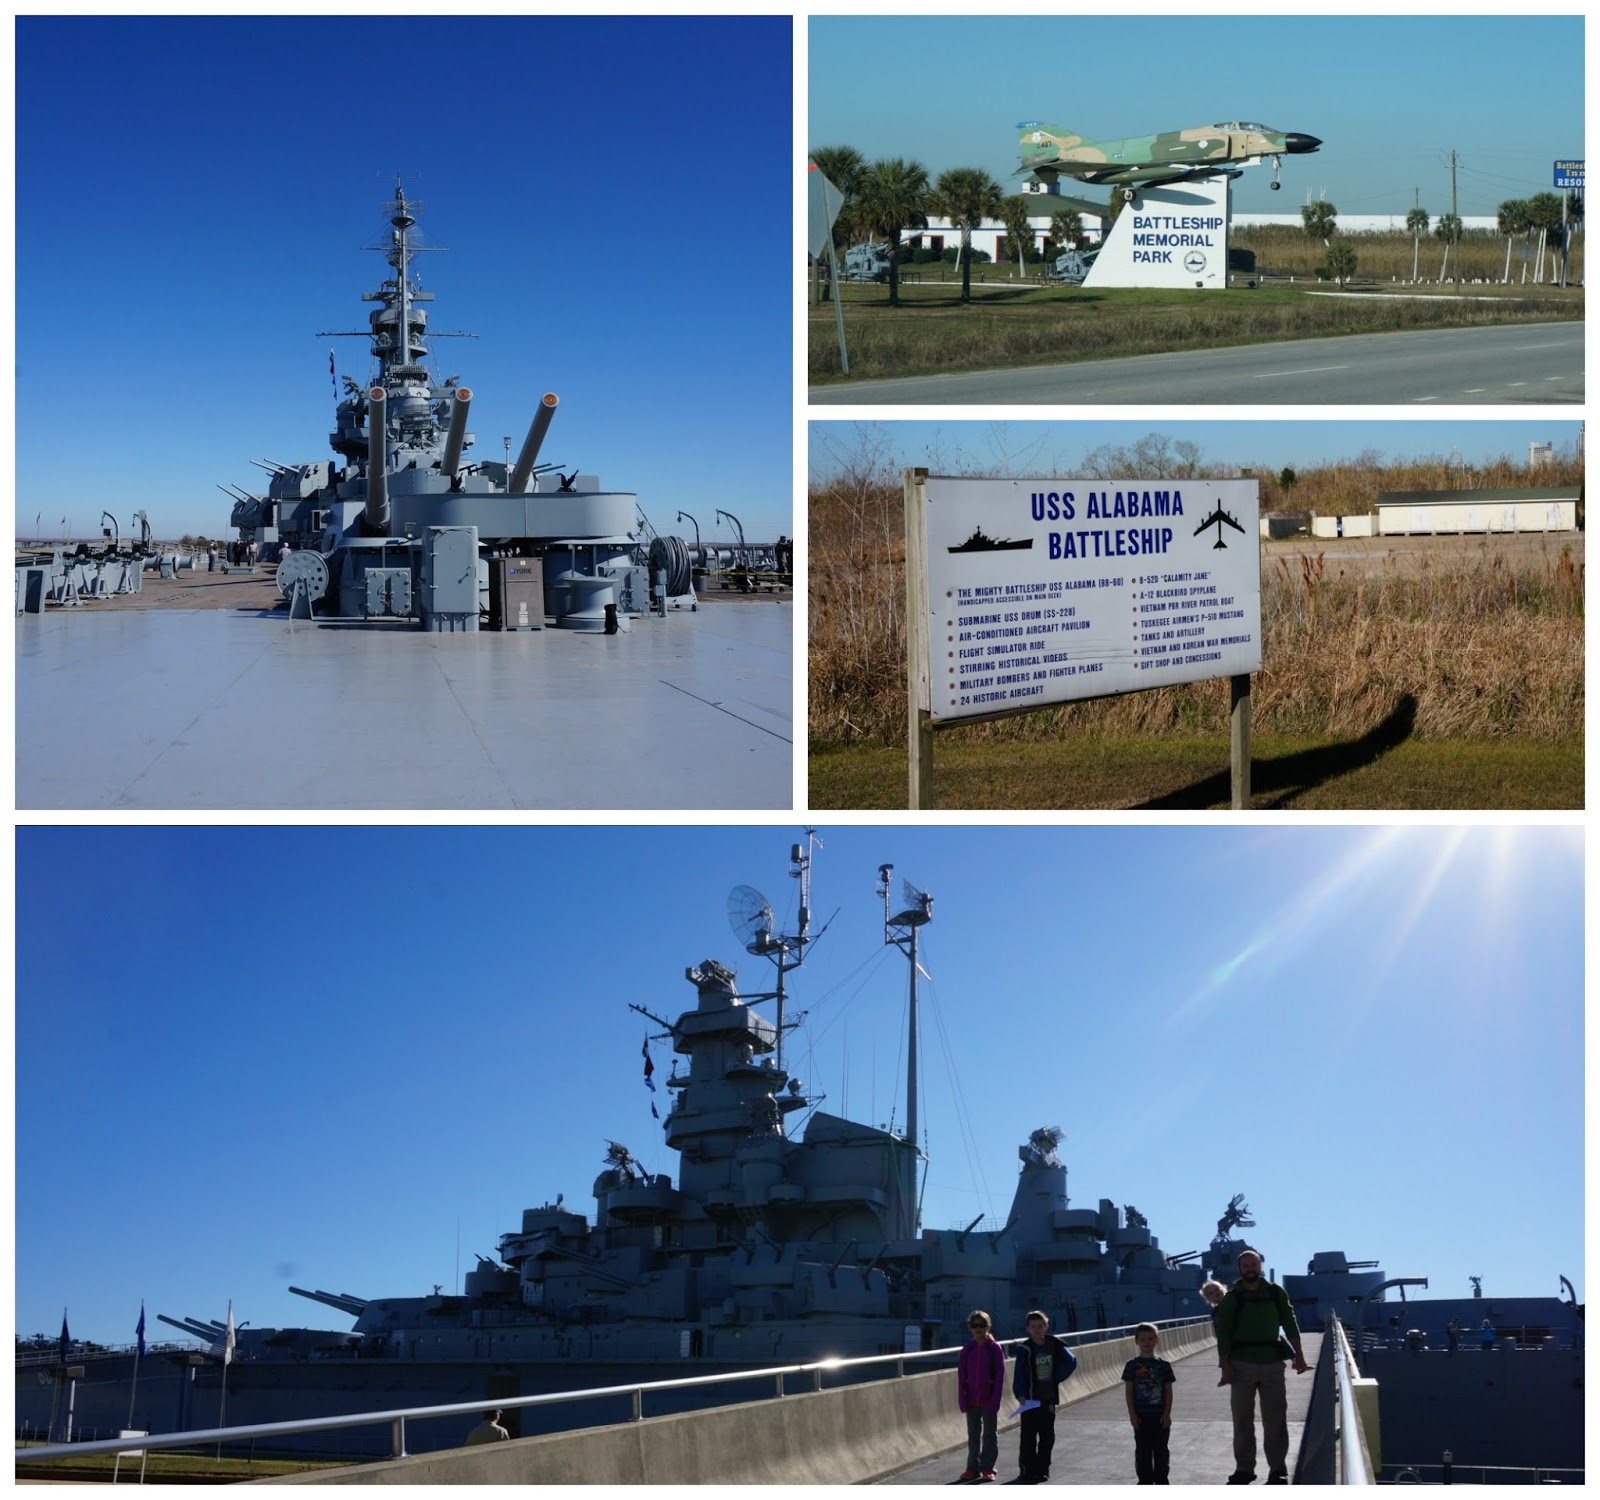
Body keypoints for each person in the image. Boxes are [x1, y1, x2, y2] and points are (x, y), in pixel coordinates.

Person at [1217, 1249, 1308, 1485]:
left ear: (1260, 1266)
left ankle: (1277, 1470)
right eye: (1246, 1265)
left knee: (1276, 1419)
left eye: (1254, 1264)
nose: (1250, 1269)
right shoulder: (1231, 1298)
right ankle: (1244, 1469)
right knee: (1242, 1420)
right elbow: (1223, 1333)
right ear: (1240, 1269)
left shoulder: (1276, 1293)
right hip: (1240, 1365)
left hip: (1272, 1364)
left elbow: (1289, 1322)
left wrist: (1299, 1355)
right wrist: (1225, 1366)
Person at [1012, 1309, 1077, 1483]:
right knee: (1028, 1438)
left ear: (1047, 1327)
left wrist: (1056, 1378)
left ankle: (1042, 1470)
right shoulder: (1024, 1348)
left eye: (1040, 1326)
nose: (1037, 1330)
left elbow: (1071, 1361)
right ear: (1028, 1328)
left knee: (1047, 1437)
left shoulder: (1054, 1344)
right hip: (1029, 1400)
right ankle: (1027, 1470)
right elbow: (1019, 1373)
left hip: (1047, 1398)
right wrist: (1020, 1394)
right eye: (1033, 1327)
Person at [1122, 1322, 1176, 1485]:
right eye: (1143, 1339)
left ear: (1157, 1341)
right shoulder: (1132, 1365)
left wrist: (1167, 1414)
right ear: (1137, 1341)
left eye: (1150, 1338)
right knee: (1143, 1451)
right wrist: (1132, 1414)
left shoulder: (1164, 1365)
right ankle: (1144, 1481)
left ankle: (1161, 1481)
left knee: (1161, 1452)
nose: (1147, 1342)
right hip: (1141, 1417)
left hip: (1159, 1416)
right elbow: (1129, 1390)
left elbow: (1168, 1390)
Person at [957, 1309, 1006, 1481]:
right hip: (971, 1397)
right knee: (973, 1434)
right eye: (974, 1325)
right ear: (970, 1328)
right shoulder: (967, 1349)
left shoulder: (994, 1348)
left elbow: (1000, 1375)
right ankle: (972, 1468)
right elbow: (961, 1375)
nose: (978, 1329)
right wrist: (962, 1398)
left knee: (989, 1434)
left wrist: (996, 1399)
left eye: (981, 1325)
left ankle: (988, 1468)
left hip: (988, 1397)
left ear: (988, 1327)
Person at [1202, 1281, 1231, 1386]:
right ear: (1209, 1299)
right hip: (1224, 1338)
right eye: (1211, 1293)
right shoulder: (1215, 1311)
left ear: (1223, 1289)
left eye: (1217, 1289)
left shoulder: (1232, 1303)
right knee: (1224, 1355)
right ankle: (1225, 1375)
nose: (1215, 1293)